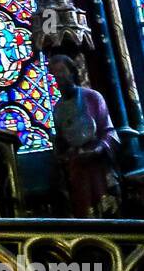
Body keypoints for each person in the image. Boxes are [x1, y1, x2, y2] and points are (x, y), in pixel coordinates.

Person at [49, 54, 120, 218]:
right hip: (77, 168)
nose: (59, 76)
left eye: (62, 71)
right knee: (85, 212)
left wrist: (99, 150)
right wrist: (62, 153)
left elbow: (109, 131)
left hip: (98, 165)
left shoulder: (93, 97)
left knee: (107, 210)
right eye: (54, 73)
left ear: (72, 72)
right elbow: (62, 142)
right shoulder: (58, 109)